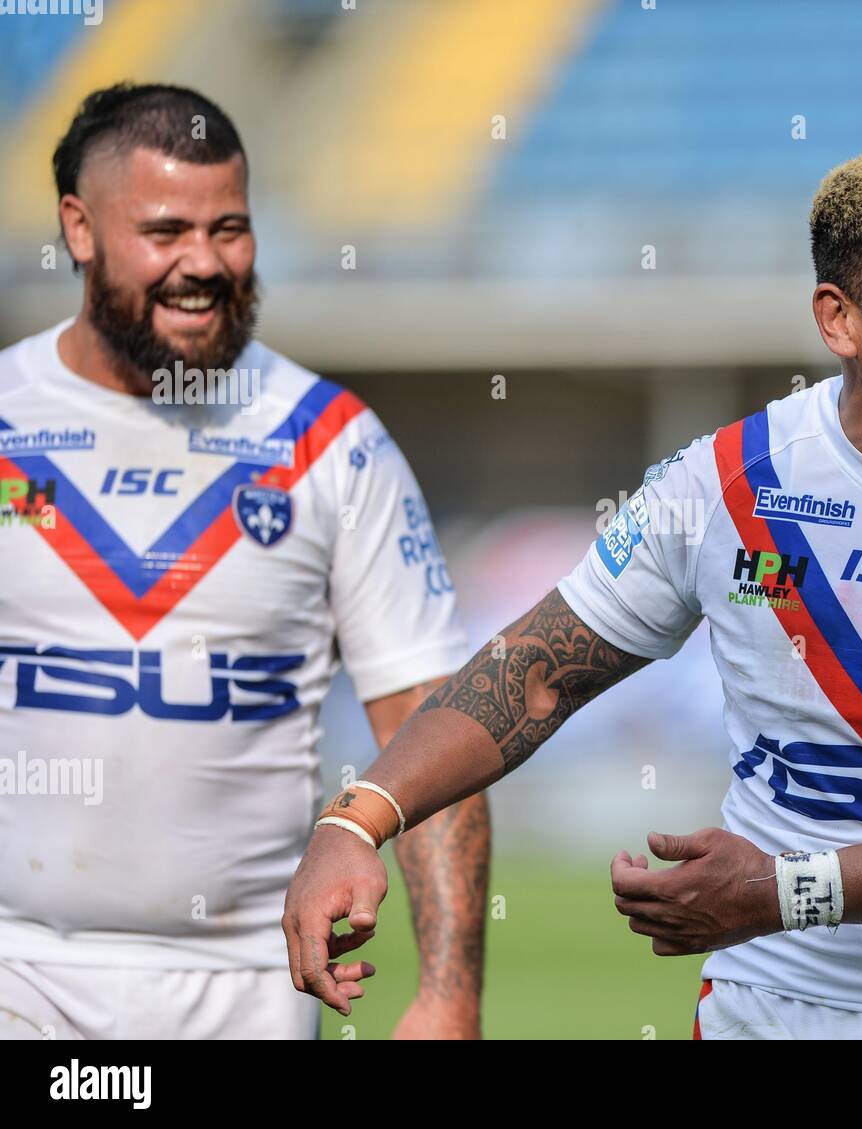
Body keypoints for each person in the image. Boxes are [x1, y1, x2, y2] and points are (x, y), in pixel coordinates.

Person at [282, 142, 862, 1040]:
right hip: (764, 1011)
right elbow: (538, 670)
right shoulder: (723, 482)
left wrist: (778, 891)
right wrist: (357, 821)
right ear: (840, 319)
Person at [0, 83, 488, 1040]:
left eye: (230, 228)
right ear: (80, 227)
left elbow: (435, 731)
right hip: (21, 968)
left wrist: (448, 991)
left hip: (247, 985)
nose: (204, 264)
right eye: (167, 230)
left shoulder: (332, 442)